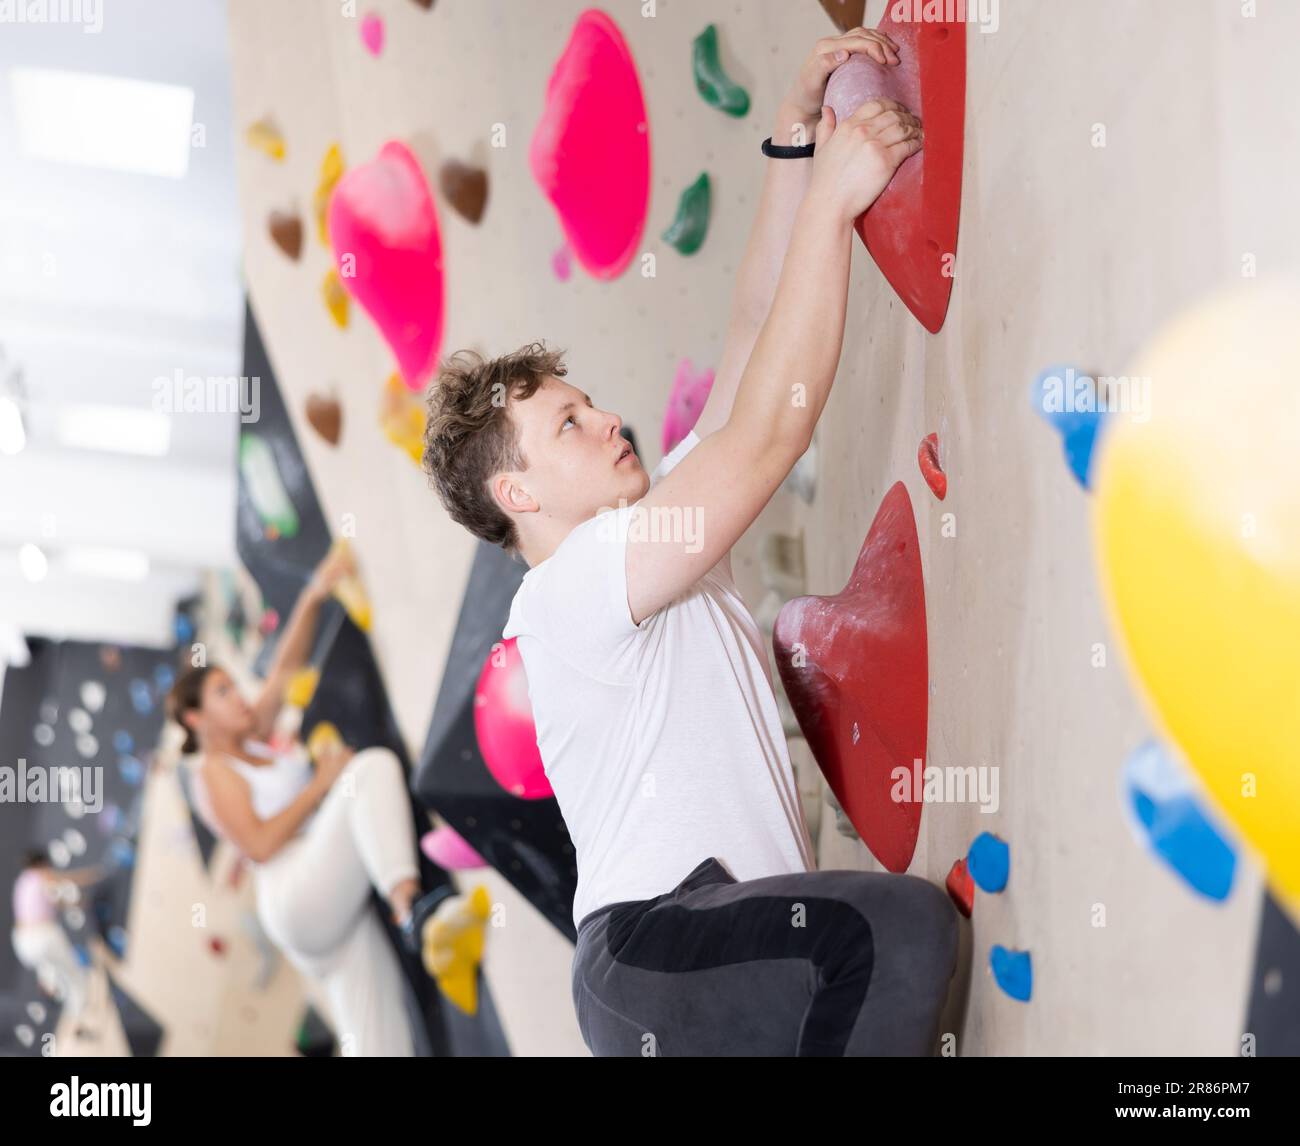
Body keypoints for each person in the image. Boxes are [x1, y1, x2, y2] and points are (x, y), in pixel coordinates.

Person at [422, 27, 958, 1055]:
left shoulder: (647, 542)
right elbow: (767, 432)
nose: (608, 421)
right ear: (516, 490)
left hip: (709, 949)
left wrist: (793, 142)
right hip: (651, 952)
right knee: (889, 930)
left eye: (592, 402)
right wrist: (838, 206)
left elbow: (754, 338)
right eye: (568, 426)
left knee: (876, 938)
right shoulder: (573, 587)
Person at [169, 545, 444, 1057]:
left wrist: (316, 593)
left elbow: (285, 664)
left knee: (383, 1045)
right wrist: (321, 784)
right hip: (296, 895)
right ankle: (410, 907)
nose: (240, 697)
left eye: (233, 686)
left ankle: (408, 910)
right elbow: (261, 844)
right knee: (370, 771)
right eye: (224, 693)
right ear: (194, 719)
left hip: (324, 902)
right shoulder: (210, 773)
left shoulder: (250, 736)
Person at [10, 851, 101, 1040]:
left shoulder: (22, 882)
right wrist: (96, 874)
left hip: (21, 942)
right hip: (43, 936)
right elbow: (68, 883)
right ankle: (79, 1023)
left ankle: (49, 984)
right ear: (42, 863)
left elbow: (49, 902)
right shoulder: (41, 875)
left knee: (50, 968)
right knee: (75, 977)